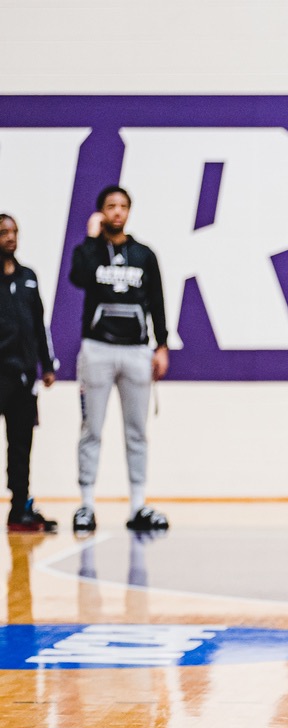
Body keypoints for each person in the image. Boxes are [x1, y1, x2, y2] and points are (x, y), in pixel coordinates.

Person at [68, 186, 170, 534]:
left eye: (122, 206)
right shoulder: (92, 252)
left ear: (129, 212)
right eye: (110, 206)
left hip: (136, 350)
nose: (117, 212)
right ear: (101, 213)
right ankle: (86, 506)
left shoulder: (144, 255)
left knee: (137, 432)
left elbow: (156, 299)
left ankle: (138, 505)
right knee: (91, 429)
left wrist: (162, 345)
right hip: (97, 348)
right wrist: (91, 237)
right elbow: (77, 277)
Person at [0, 214, 58, 533]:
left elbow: (39, 325)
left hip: (23, 376)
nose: (10, 237)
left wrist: (46, 365)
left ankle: (19, 507)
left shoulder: (28, 277)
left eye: (14, 232)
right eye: (3, 232)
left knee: (21, 445)